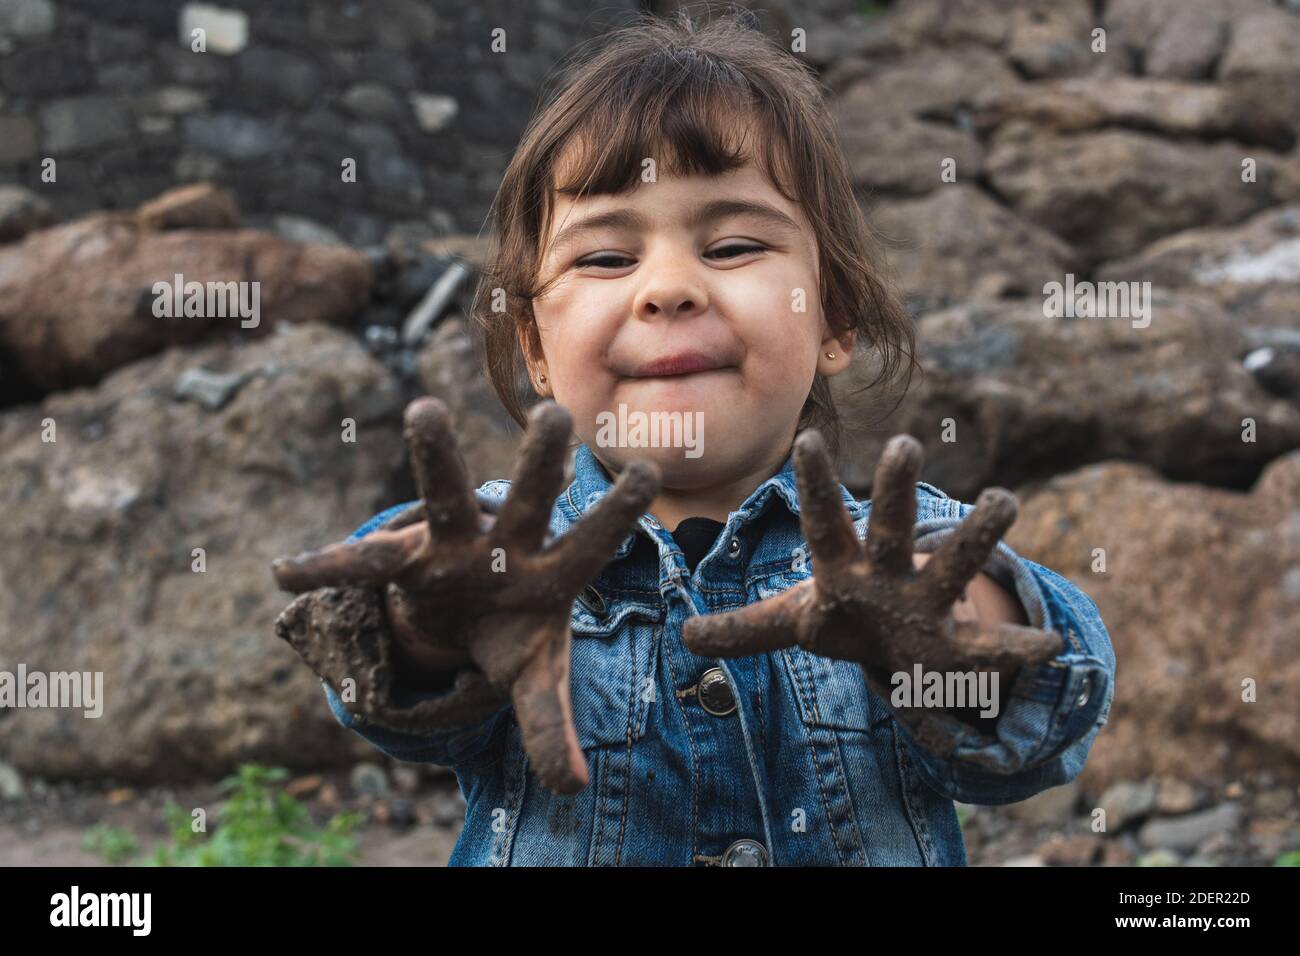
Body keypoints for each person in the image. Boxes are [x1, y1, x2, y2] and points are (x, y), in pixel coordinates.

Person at [272, 6, 1114, 866]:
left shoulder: (897, 551)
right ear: (535, 348)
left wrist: (948, 621)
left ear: (834, 315)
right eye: (605, 258)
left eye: (736, 244)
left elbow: (1054, 706)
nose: (668, 288)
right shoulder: (499, 551)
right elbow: (380, 677)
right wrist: (434, 615)